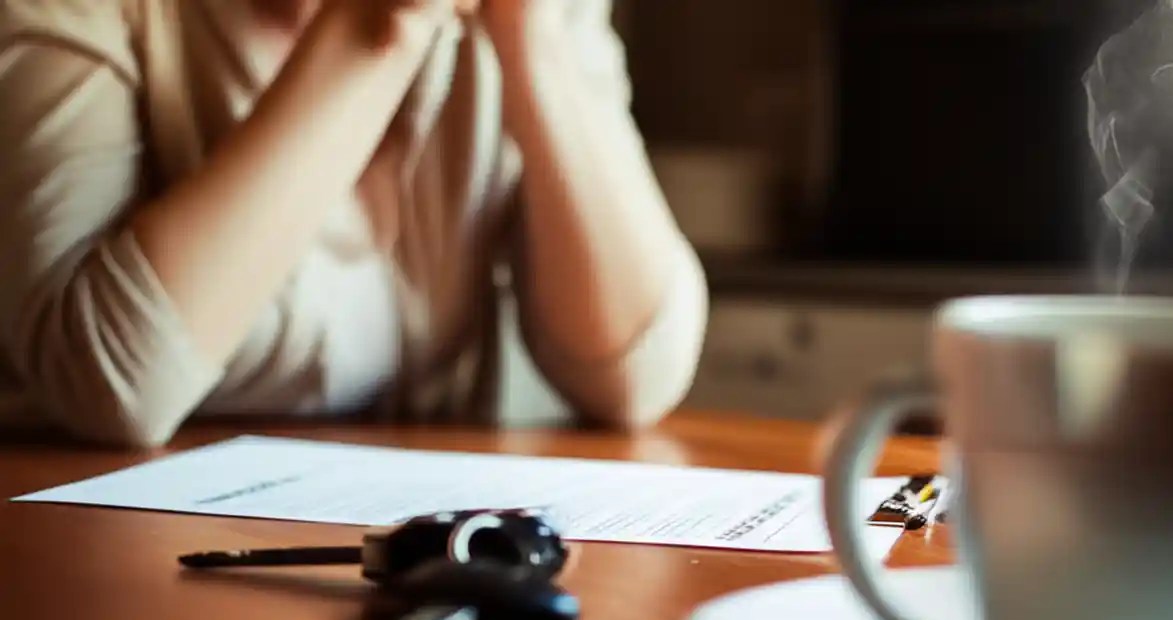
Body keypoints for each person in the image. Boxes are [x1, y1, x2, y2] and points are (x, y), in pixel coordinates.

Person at [0, 0, 708, 447]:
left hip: (407, 578)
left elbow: (637, 377)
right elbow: (104, 382)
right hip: (102, 576)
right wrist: (380, 30)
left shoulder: (534, 18)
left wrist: (533, 39)